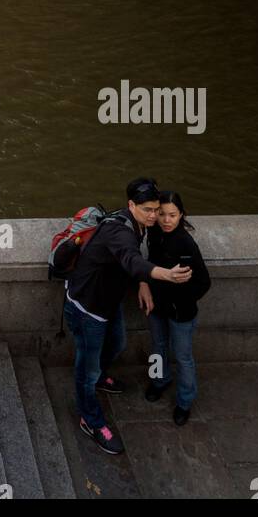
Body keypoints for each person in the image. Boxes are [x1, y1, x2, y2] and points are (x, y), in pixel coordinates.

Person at [64, 177, 193, 455]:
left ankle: (98, 377)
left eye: (156, 210)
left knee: (117, 344)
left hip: (108, 304)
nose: (153, 216)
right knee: (86, 370)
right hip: (88, 309)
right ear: (130, 205)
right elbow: (132, 259)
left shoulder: (136, 225)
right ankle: (91, 420)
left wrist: (143, 283)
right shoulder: (120, 232)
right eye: (147, 209)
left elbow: (130, 262)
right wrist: (165, 275)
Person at [138, 191, 210, 427]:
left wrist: (181, 299)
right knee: (158, 347)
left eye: (172, 215)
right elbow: (150, 264)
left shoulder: (185, 243)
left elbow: (203, 282)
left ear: (181, 215)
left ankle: (185, 401)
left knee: (183, 357)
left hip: (181, 312)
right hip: (158, 305)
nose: (167, 220)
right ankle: (159, 381)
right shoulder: (153, 233)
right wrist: (146, 284)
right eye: (162, 214)